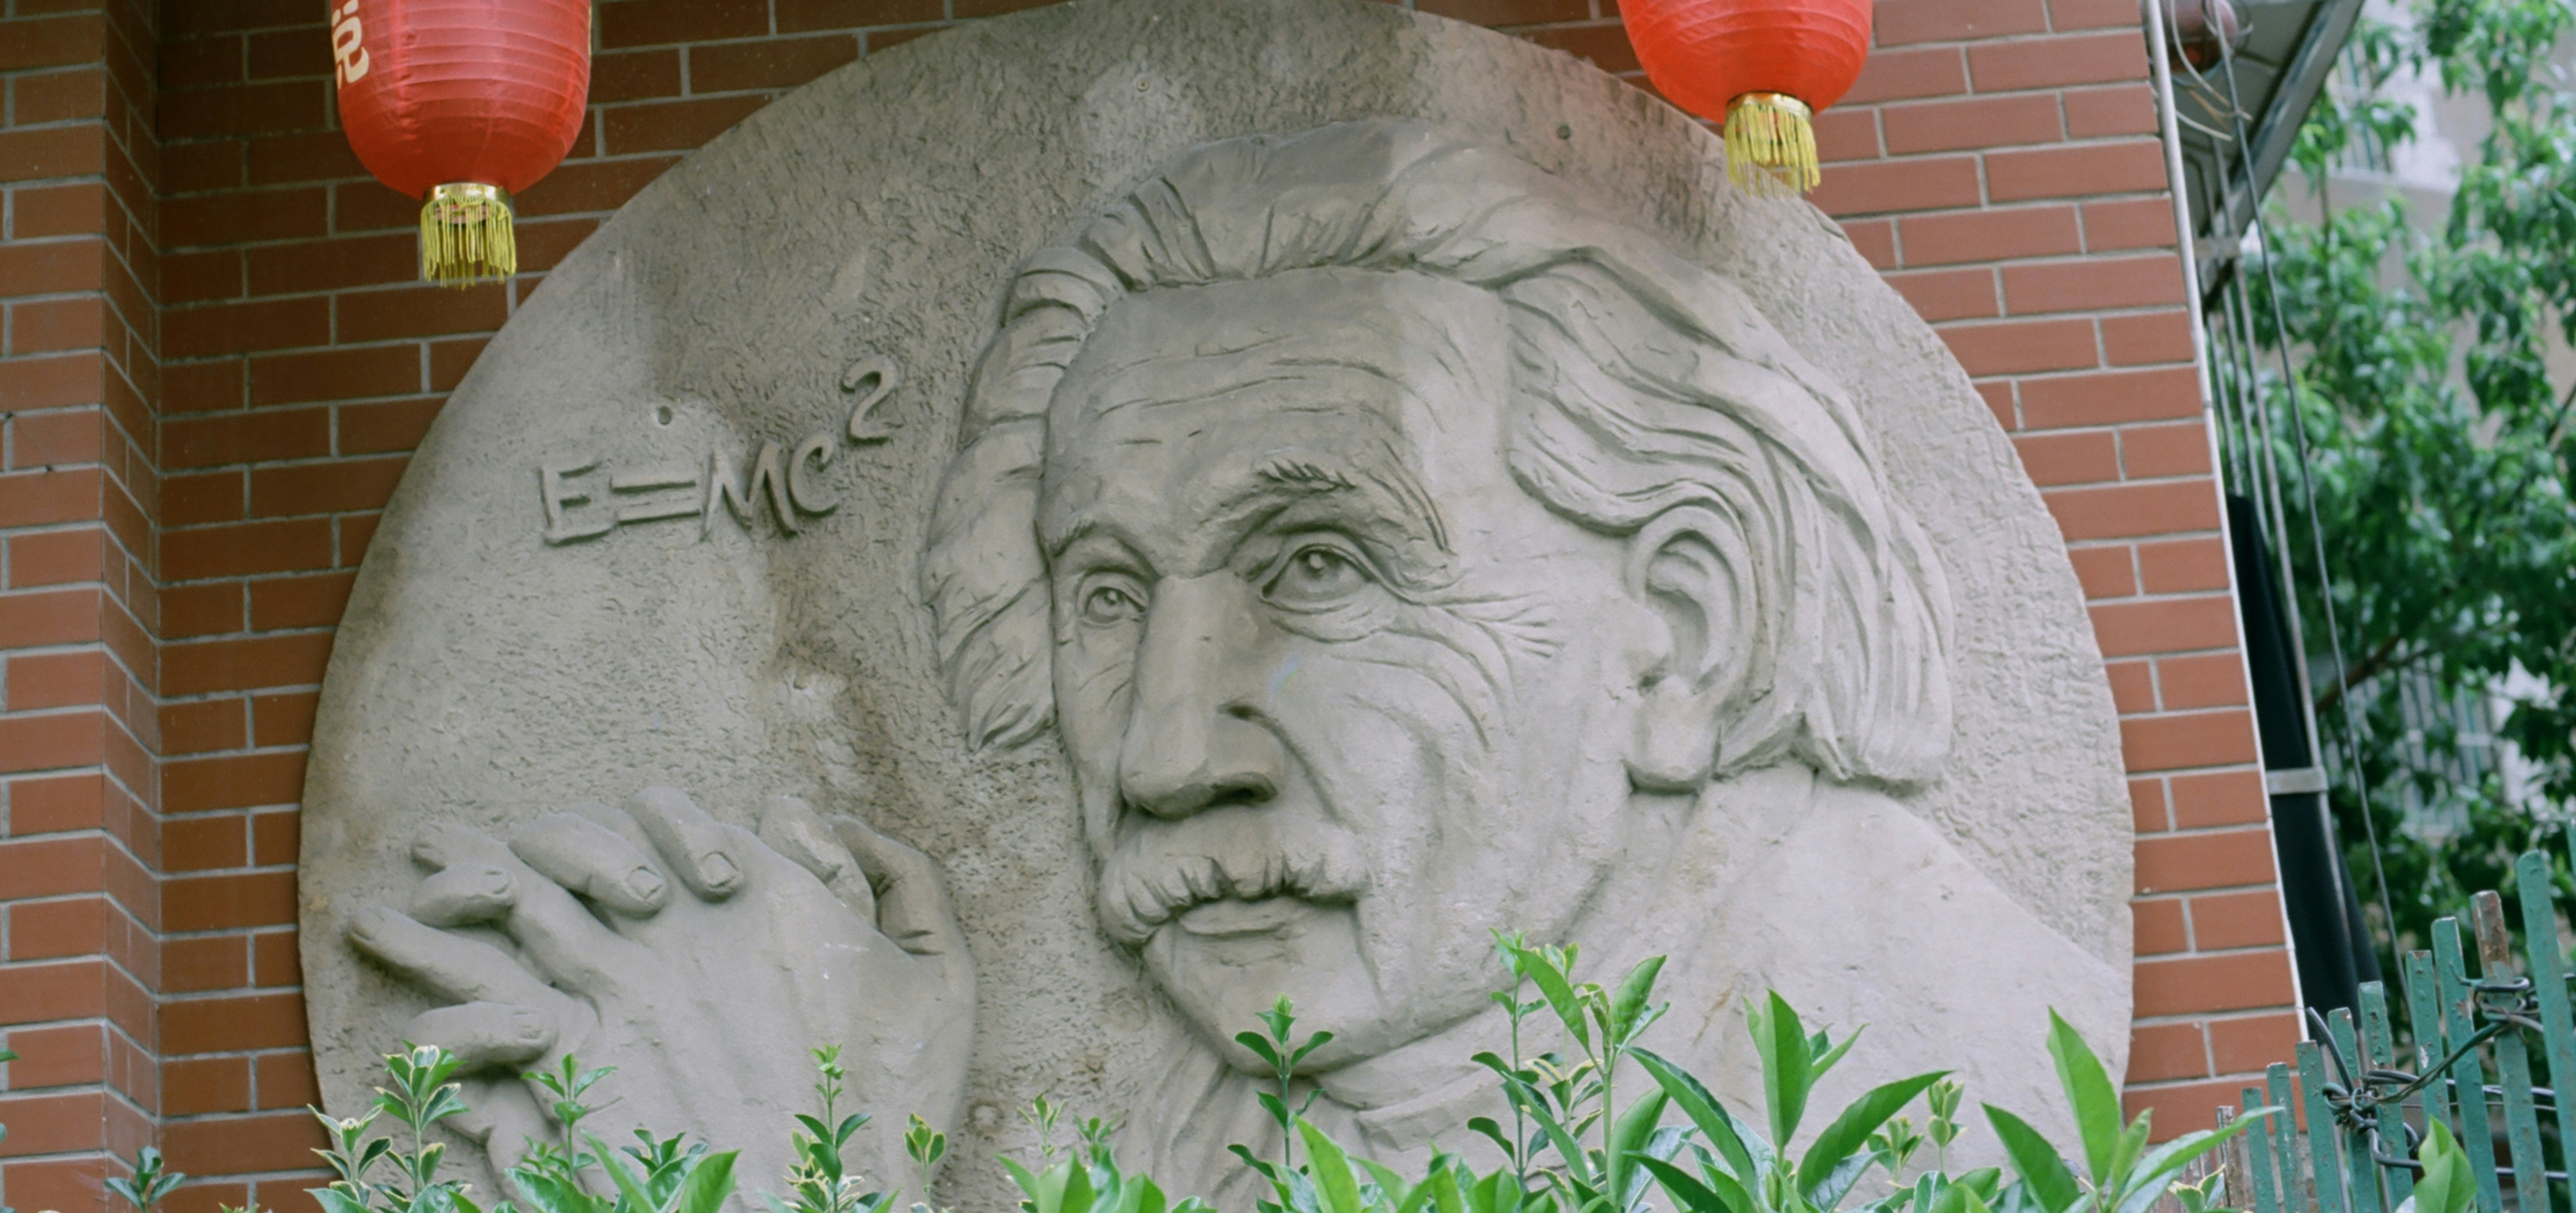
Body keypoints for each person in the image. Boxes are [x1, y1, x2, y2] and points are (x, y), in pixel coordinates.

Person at [352, 122, 2127, 1195]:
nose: (1158, 753)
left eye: (1321, 563)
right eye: (1107, 592)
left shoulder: (1946, 1100)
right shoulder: (1220, 1093)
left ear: (1682, 621)